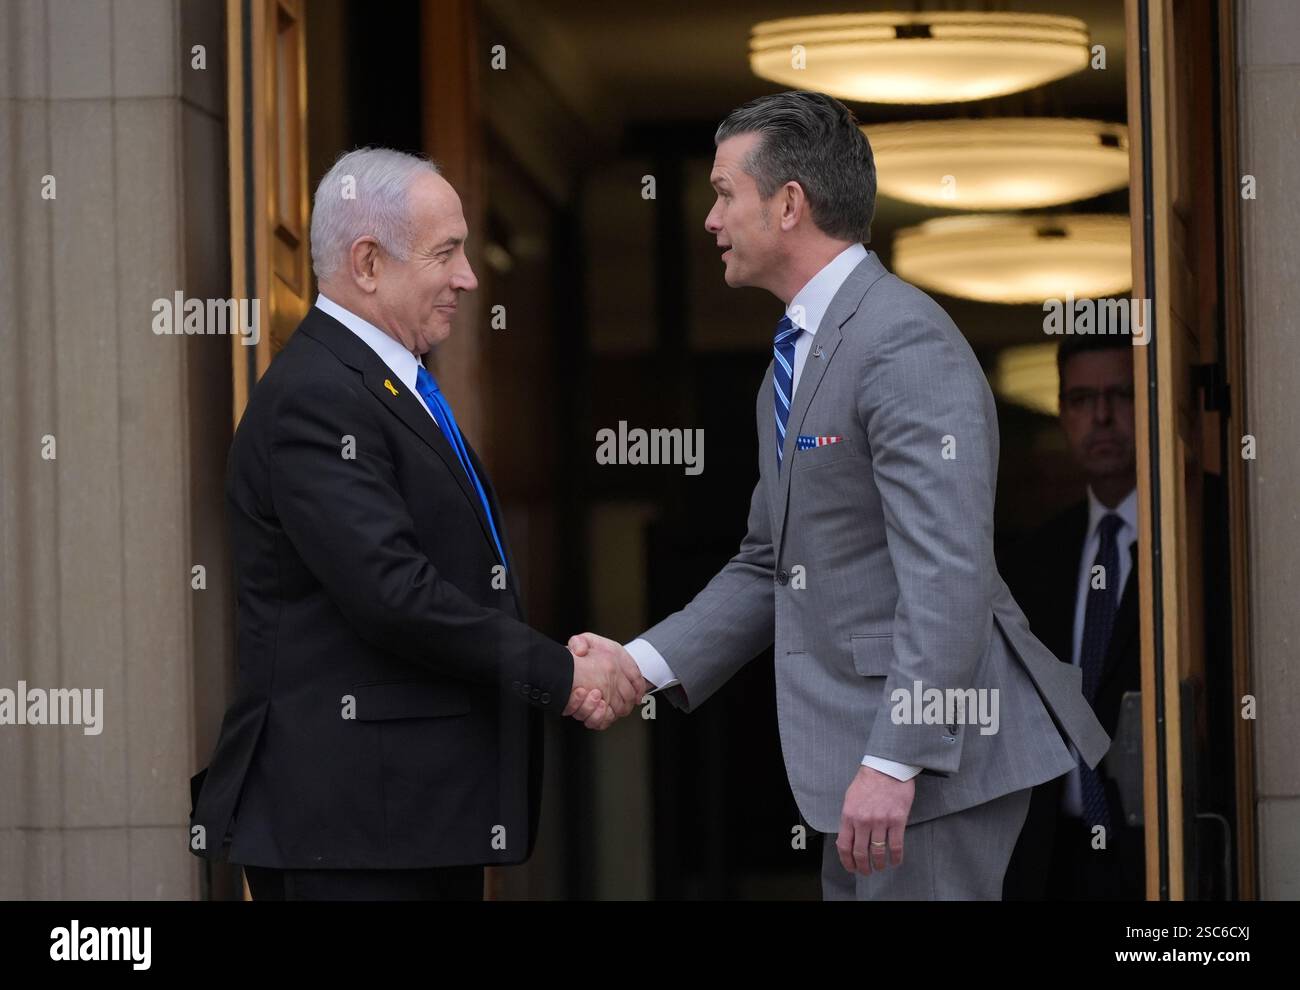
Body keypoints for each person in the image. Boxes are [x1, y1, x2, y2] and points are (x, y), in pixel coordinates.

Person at [570, 91, 1108, 900]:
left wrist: (896, 758)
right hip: (862, 770)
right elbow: (767, 564)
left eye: (723, 194)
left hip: (926, 771)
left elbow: (948, 571)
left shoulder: (901, 340)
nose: (710, 220)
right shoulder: (799, 354)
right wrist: (638, 666)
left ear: (789, 205)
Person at [188, 147, 642, 901]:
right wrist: (560, 675)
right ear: (368, 262)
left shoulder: (387, 383)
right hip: (351, 832)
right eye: (447, 252)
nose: (468, 276)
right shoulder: (318, 398)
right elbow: (393, 594)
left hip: (401, 823)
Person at [1002, 334, 1144, 899]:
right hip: (1053, 859)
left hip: (1157, 853)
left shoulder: (1201, 536)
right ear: (1062, 414)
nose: (1102, 418)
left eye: (1122, 395)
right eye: (1082, 400)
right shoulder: (1037, 557)